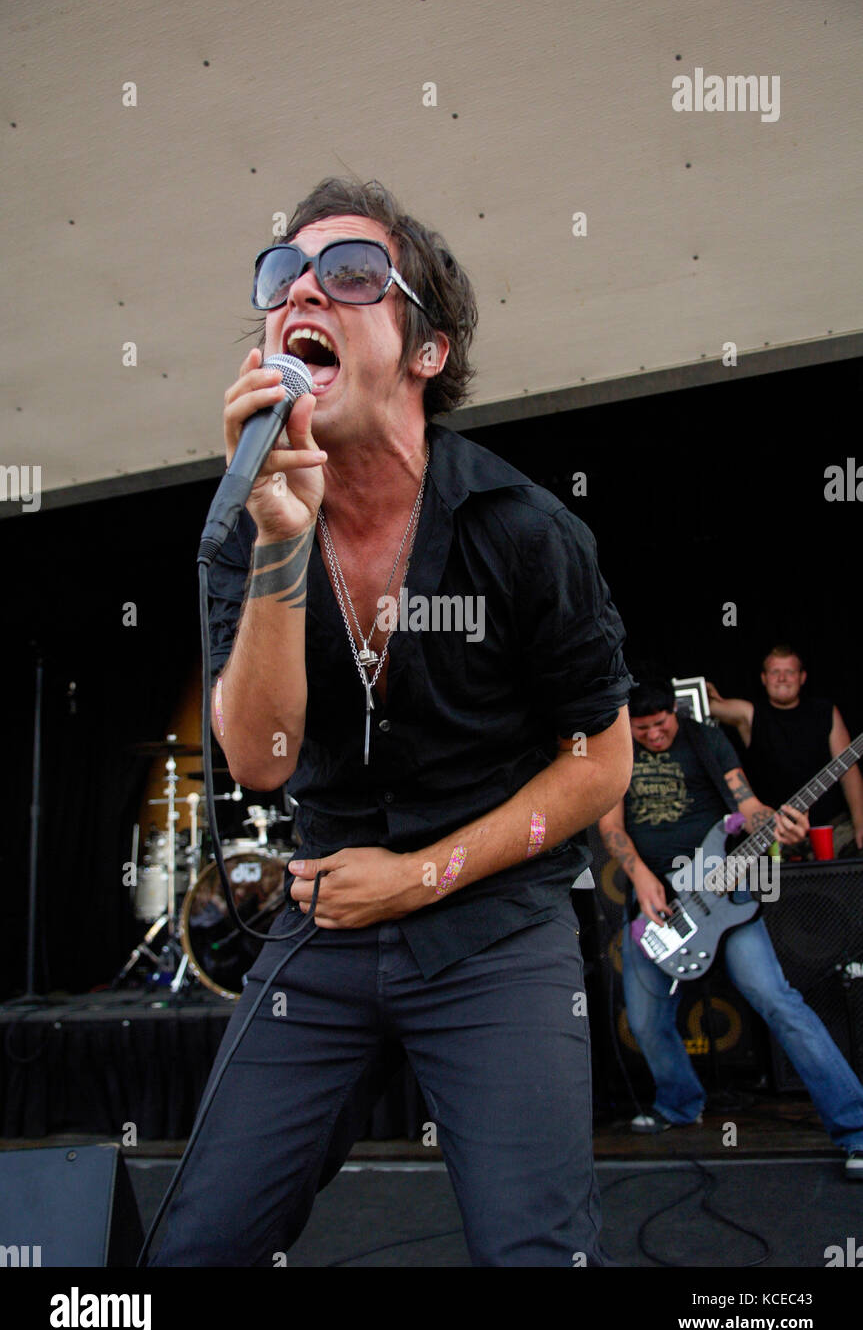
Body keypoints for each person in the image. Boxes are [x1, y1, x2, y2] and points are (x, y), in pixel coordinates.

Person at [149, 178, 633, 1267]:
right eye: (282, 275)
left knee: (534, 1253)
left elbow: (598, 762)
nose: (303, 289)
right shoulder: (243, 523)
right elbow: (260, 762)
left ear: (426, 349)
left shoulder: (521, 531)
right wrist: (279, 540)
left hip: (494, 929)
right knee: (197, 1245)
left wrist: (419, 878)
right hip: (323, 924)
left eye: (353, 273)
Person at [597, 673, 863, 1180]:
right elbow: (610, 828)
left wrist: (775, 822)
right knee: (646, 1018)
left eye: (661, 724)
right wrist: (642, 879)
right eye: (643, 728)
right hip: (662, 902)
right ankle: (679, 1103)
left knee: (775, 997)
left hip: (725, 894)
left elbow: (749, 807)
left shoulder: (706, 738)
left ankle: (856, 1128)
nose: (654, 736)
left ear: (675, 712)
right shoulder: (616, 754)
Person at [707, 646, 863, 856]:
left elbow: (849, 771)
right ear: (763, 678)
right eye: (774, 672)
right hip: (775, 835)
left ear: (802, 677)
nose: (782, 678)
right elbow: (694, 704)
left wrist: (861, 823)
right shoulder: (750, 713)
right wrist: (701, 689)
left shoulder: (826, 712)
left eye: (789, 672)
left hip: (831, 829)